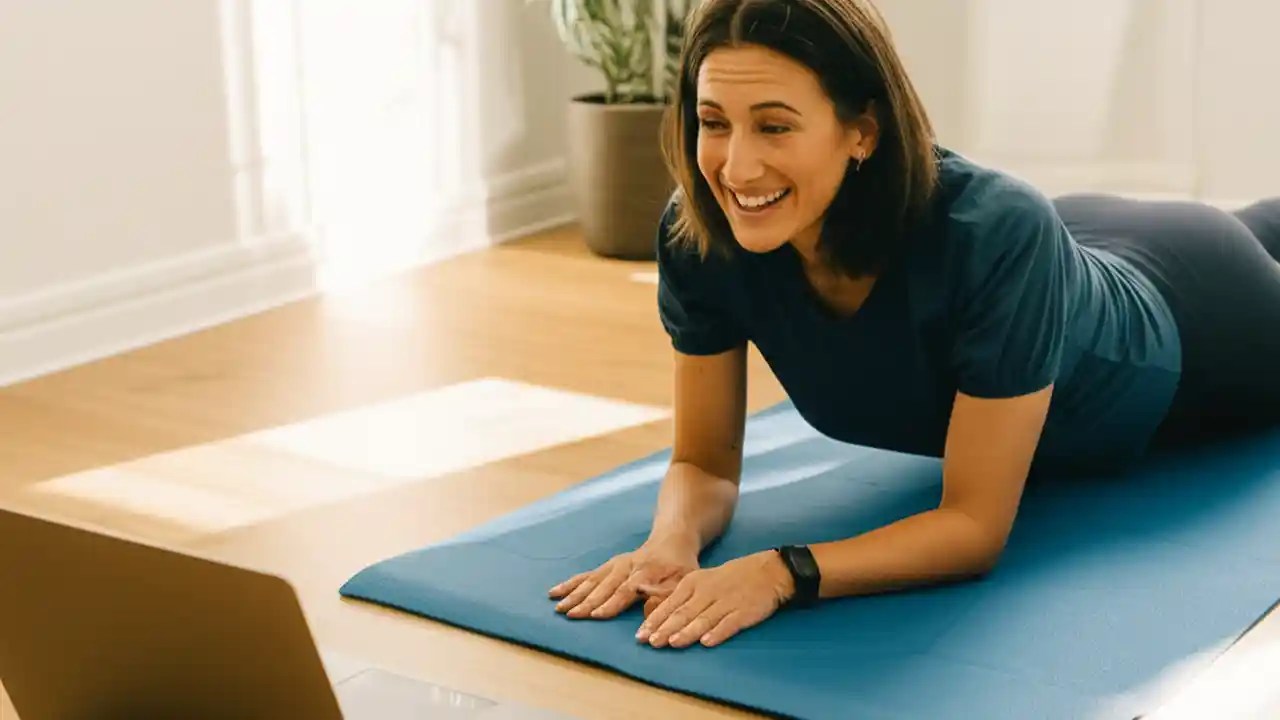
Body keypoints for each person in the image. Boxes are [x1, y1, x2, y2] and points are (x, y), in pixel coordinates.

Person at [548, 0, 1280, 651]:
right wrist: (669, 543)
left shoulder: (992, 233)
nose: (736, 167)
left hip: (1199, 319)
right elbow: (704, 464)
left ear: (860, 132)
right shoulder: (700, 237)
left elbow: (972, 528)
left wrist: (782, 571)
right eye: (713, 122)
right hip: (1080, 240)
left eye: (774, 125)